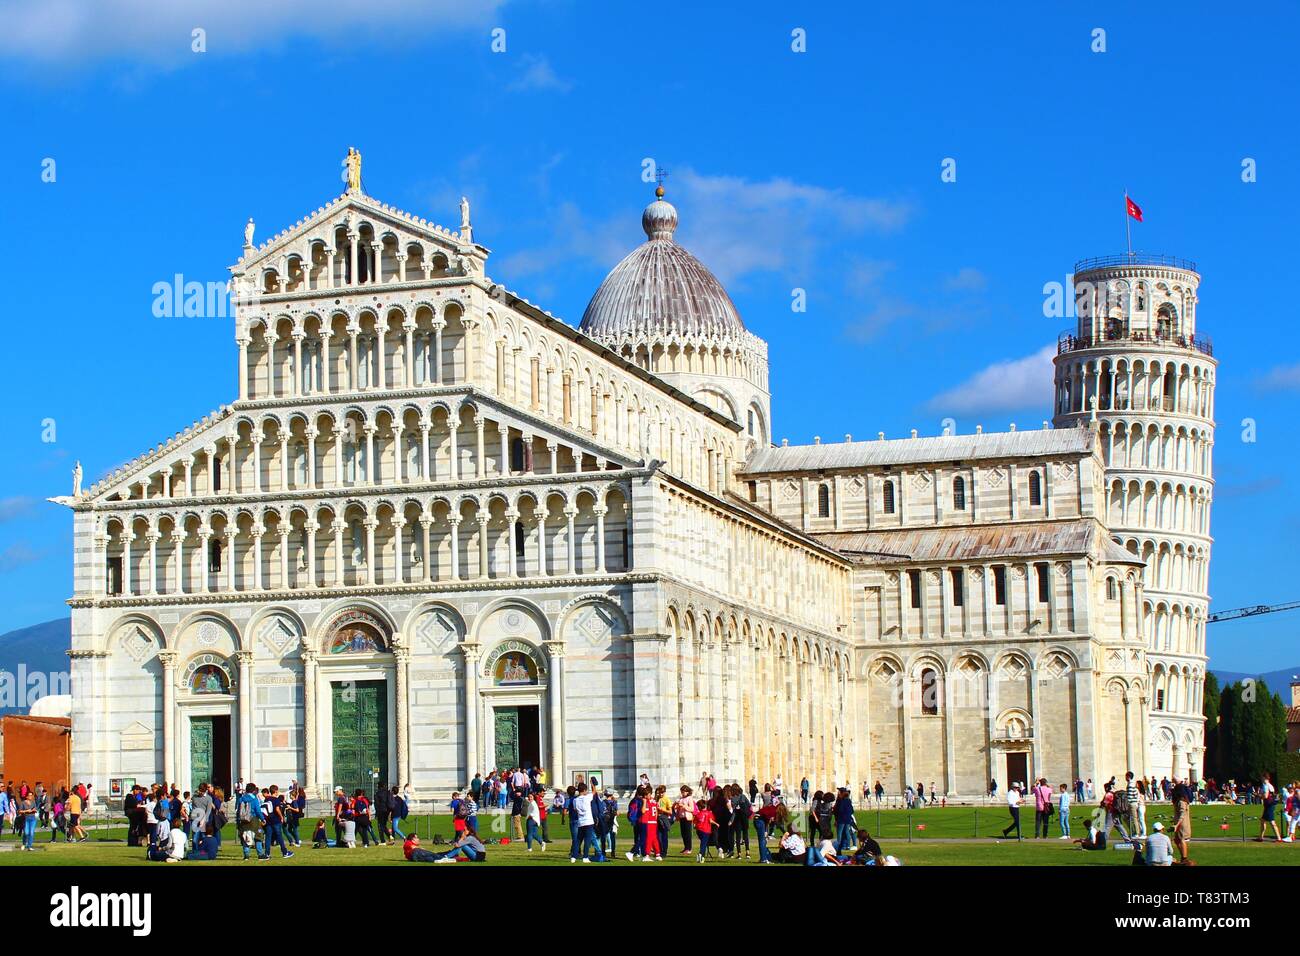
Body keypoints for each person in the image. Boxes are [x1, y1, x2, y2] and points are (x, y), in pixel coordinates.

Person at [833, 787, 856, 853]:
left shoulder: (841, 801)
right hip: (847, 818)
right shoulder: (848, 800)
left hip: (841, 818)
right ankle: (848, 845)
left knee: (839, 832)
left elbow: (840, 809)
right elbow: (852, 810)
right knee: (847, 832)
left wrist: (836, 812)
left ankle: (839, 845)